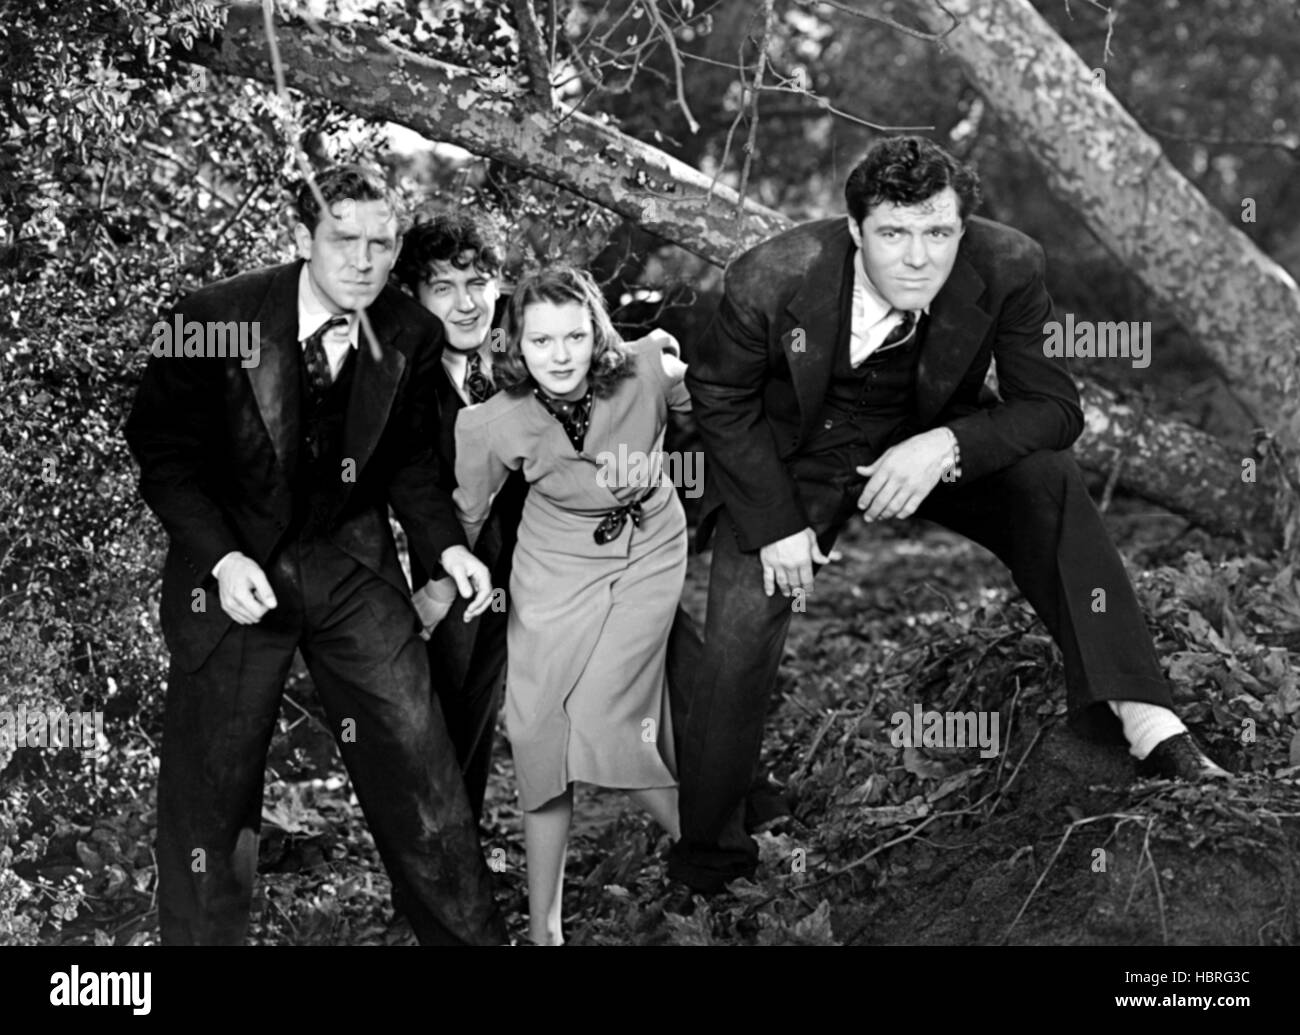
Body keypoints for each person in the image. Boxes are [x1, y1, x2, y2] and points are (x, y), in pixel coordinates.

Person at [669, 135, 1227, 897]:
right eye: (894, 233)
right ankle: (710, 864)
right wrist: (772, 524)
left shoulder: (1009, 265)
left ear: (963, 229)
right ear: (856, 230)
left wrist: (947, 443)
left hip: (929, 440)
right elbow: (721, 398)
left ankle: (1145, 718)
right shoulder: (770, 276)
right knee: (736, 642)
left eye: (939, 232)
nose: (919, 256)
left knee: (1046, 476)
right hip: (792, 464)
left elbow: (1055, 408)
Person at [124, 165, 506, 945]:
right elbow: (162, 456)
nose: (363, 260)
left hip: (348, 560)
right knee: (213, 787)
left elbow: (409, 465)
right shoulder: (212, 317)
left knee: (418, 758)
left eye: (380, 242)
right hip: (235, 568)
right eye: (344, 240)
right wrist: (223, 561)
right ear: (303, 239)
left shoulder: (410, 330)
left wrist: (446, 551)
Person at [394, 213, 782, 829]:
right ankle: (457, 861)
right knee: (461, 700)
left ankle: (743, 809)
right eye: (443, 288)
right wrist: (442, 570)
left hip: (580, 542)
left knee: (677, 660)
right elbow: (415, 478)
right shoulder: (404, 368)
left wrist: (655, 357)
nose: (466, 304)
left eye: (478, 282)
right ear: (415, 297)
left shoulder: (530, 329)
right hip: (466, 553)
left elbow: (610, 370)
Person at [439, 265, 688, 945]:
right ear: (516, 343)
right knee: (537, 728)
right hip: (552, 559)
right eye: (542, 340)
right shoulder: (488, 423)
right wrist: (439, 588)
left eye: (575, 336)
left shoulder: (647, 368)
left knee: (609, 718)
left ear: (597, 333)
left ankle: (715, 855)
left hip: (647, 544)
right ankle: (546, 930)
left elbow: (706, 414)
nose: (560, 354)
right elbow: (466, 513)